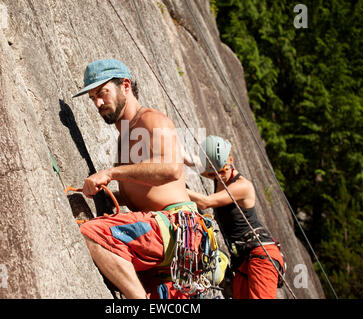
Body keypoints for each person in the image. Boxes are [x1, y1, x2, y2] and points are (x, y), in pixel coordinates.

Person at [72, 59, 205, 299]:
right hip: (165, 243)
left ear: (125, 85)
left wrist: (111, 173)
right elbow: (142, 190)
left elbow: (172, 170)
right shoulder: (124, 140)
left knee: (94, 233)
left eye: (102, 93)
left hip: (174, 226)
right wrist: (107, 193)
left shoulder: (151, 120)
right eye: (93, 98)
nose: (98, 103)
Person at [185, 135, 285, 299]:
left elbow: (205, 202)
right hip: (242, 259)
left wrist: (173, 187)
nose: (219, 176)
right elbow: (193, 161)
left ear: (231, 159)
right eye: (215, 173)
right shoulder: (219, 174)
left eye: (223, 170)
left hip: (261, 254)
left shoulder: (242, 186)